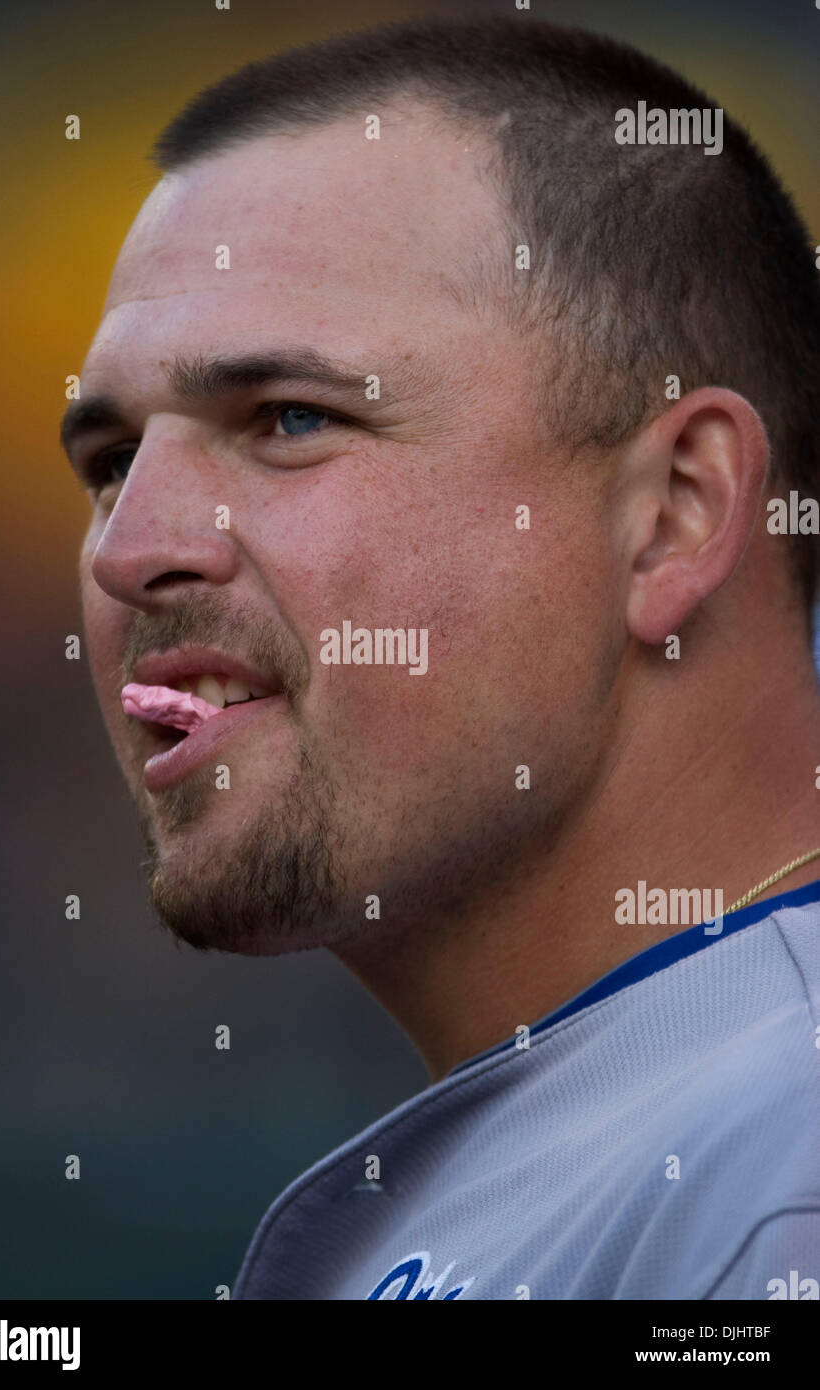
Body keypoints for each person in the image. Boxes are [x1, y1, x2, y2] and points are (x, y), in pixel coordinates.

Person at [60, 18, 820, 1299]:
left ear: (677, 511)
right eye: (110, 462)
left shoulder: (776, 1184)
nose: (129, 551)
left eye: (291, 418)